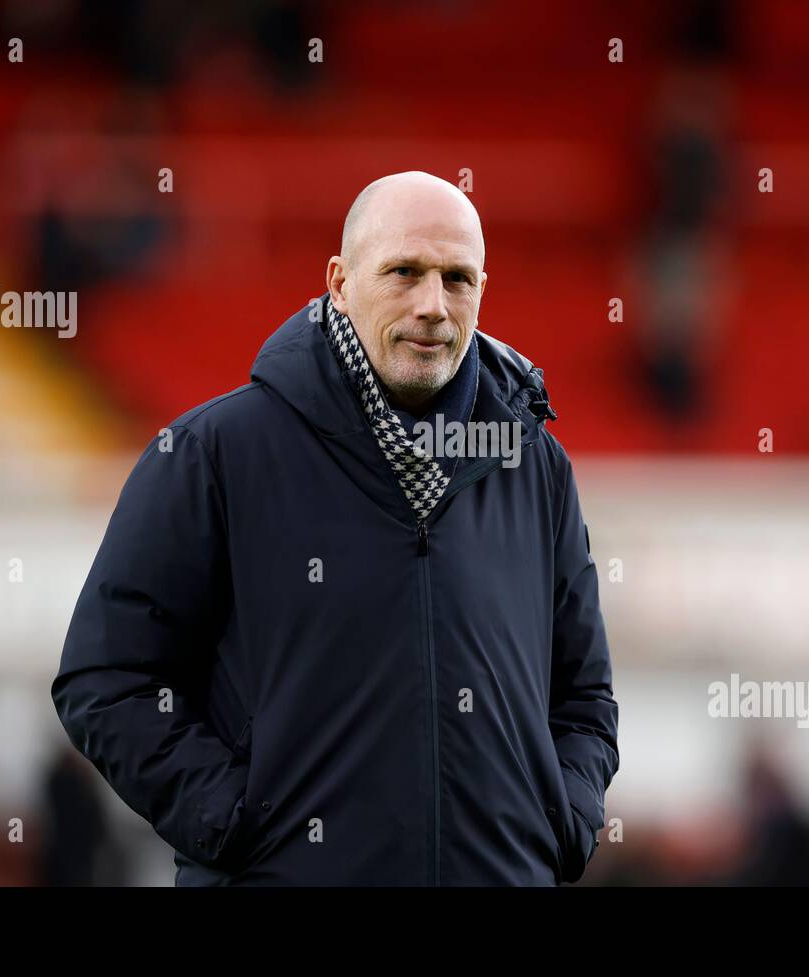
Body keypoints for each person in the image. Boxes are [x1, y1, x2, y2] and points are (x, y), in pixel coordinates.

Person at [51, 171, 619, 885]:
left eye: (457, 278)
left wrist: (561, 824)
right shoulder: (214, 453)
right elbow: (107, 676)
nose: (432, 305)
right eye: (404, 272)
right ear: (340, 284)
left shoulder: (533, 463)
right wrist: (233, 823)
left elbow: (584, 697)